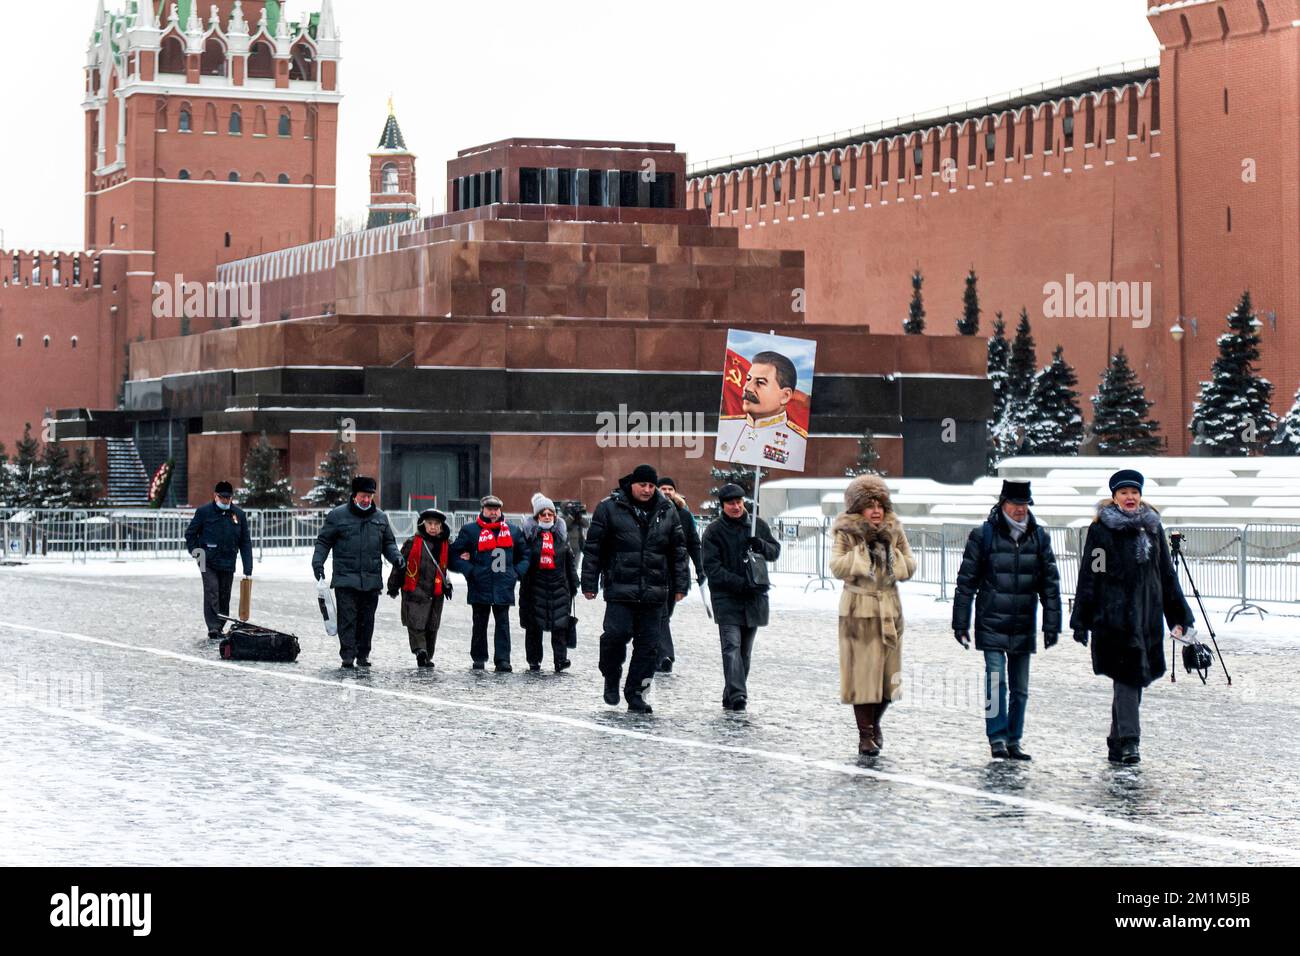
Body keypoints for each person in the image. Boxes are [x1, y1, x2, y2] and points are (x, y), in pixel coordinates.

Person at [1070, 469, 1195, 765]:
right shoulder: (1101, 530)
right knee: (1126, 678)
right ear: (1114, 497)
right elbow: (1092, 573)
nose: (1130, 497)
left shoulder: (1152, 528)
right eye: (1124, 492)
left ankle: (1117, 741)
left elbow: (1166, 574)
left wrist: (1179, 616)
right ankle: (1130, 742)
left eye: (1134, 492)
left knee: (1133, 680)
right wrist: (1083, 617)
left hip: (1147, 619)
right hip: (1114, 618)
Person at [952, 479, 1062, 760]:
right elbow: (967, 582)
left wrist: (1051, 624)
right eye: (1014, 504)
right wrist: (960, 622)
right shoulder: (983, 535)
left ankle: (1014, 739)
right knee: (995, 681)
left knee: (1020, 690)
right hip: (991, 622)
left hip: (1023, 623)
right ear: (1003, 504)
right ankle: (997, 738)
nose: (1019, 510)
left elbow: (1050, 585)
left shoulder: (1039, 538)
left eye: (1024, 504)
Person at [582, 464, 689, 713]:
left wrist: (681, 583)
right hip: (620, 588)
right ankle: (611, 676)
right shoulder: (609, 507)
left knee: (649, 647)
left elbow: (678, 550)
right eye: (643, 485)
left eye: (652, 485)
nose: (648, 490)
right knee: (615, 636)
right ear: (631, 484)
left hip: (654, 591)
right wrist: (589, 582)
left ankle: (637, 693)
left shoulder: (667, 510)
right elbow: (594, 548)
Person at [829, 474, 915, 756]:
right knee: (863, 677)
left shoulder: (894, 529)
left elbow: (910, 565)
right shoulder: (846, 532)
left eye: (880, 504)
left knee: (888, 681)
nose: (876, 510)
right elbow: (837, 566)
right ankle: (865, 734)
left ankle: (875, 721)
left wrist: (893, 556)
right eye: (869, 505)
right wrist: (861, 554)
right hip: (859, 608)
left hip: (890, 609)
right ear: (858, 508)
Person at [700, 483, 780, 711]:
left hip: (754, 598)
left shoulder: (757, 525)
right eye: (730, 503)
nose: (735, 507)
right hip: (727, 599)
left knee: (744, 651)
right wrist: (738, 583)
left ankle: (731, 693)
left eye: (739, 502)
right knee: (731, 647)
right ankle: (738, 695)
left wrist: (761, 545)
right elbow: (712, 568)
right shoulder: (714, 532)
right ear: (722, 506)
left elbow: (775, 552)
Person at [312, 476, 403, 669]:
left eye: (369, 496)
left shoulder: (380, 517)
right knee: (348, 618)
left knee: (367, 620)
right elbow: (324, 541)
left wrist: (396, 558)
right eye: (363, 496)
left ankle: (363, 654)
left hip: (371, 579)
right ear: (354, 495)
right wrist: (318, 562)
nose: (366, 500)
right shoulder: (337, 516)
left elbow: (388, 543)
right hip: (346, 578)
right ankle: (348, 654)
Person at [450, 494, 529, 672]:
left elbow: (525, 555)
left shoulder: (513, 531)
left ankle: (502, 659)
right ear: (483, 510)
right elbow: (453, 555)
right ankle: (478, 657)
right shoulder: (470, 531)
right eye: (489, 509)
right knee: (479, 623)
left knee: (503, 624)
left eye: (496, 509)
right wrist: (469, 570)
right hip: (480, 583)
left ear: (500, 510)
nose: (493, 513)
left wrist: (516, 573)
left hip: (503, 584)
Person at [715, 350, 807, 471]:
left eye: (760, 383)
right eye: (748, 379)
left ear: (785, 396)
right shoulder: (723, 427)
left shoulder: (798, 442)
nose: (747, 388)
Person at [184, 480, 253, 640]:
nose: (225, 501)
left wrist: (248, 567)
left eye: (228, 498)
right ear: (215, 496)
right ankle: (213, 627)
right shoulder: (204, 512)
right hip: (206, 560)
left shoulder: (238, 515)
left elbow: (245, 542)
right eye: (222, 497)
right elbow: (190, 534)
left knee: (224, 594)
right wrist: (196, 553)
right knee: (212, 591)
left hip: (228, 561)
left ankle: (220, 624)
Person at [519, 493, 579, 672]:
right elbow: (523, 561)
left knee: (559, 627)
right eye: (543, 514)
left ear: (554, 516)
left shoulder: (561, 537)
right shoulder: (529, 538)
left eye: (550, 513)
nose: (546, 517)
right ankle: (534, 661)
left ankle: (560, 660)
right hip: (534, 589)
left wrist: (574, 584)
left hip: (559, 589)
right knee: (533, 628)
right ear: (537, 517)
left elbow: (570, 563)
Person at [387, 508, 452, 669]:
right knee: (416, 624)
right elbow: (400, 565)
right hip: (415, 589)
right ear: (423, 524)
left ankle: (427, 655)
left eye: (437, 524)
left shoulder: (446, 544)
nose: (433, 527)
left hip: (436, 592)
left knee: (432, 626)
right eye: (430, 523)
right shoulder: (412, 542)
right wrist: (393, 585)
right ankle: (420, 651)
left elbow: (451, 564)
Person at [655, 476, 705, 673]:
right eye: (663, 488)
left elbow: (693, 543)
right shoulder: (651, 511)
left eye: (670, 488)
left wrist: (700, 568)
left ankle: (656, 652)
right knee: (660, 615)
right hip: (656, 572)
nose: (667, 491)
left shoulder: (684, 514)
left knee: (665, 614)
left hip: (677, 574)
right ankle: (665, 655)